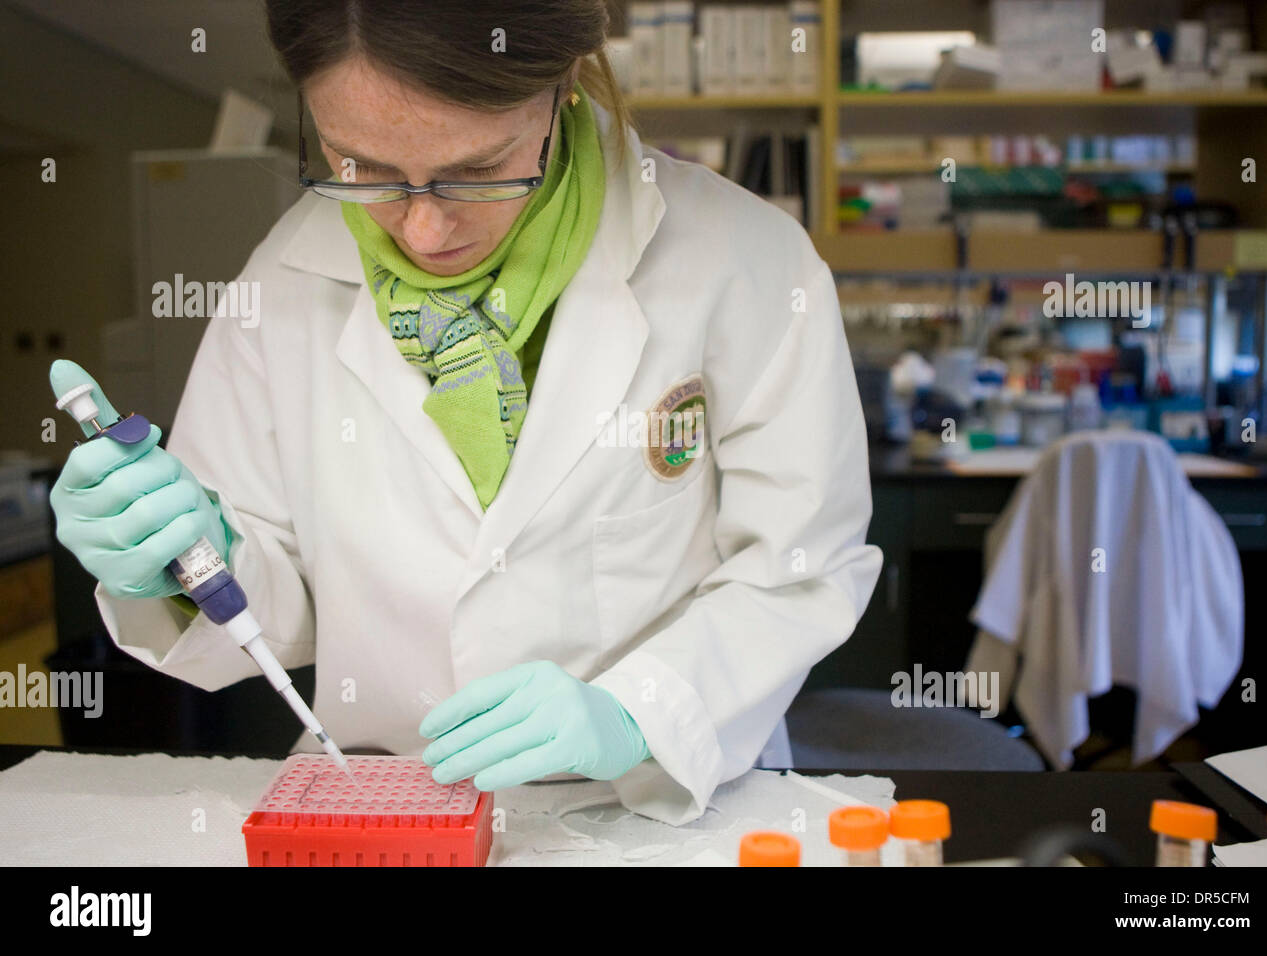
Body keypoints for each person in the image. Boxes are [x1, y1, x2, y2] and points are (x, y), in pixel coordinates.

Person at [48, 0, 881, 825]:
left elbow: (800, 569)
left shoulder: (747, 262)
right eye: (361, 165)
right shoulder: (283, 285)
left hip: (661, 809)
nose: (422, 226)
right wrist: (187, 558)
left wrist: (637, 713)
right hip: (387, 810)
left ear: (560, 90)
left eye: (479, 168)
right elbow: (277, 608)